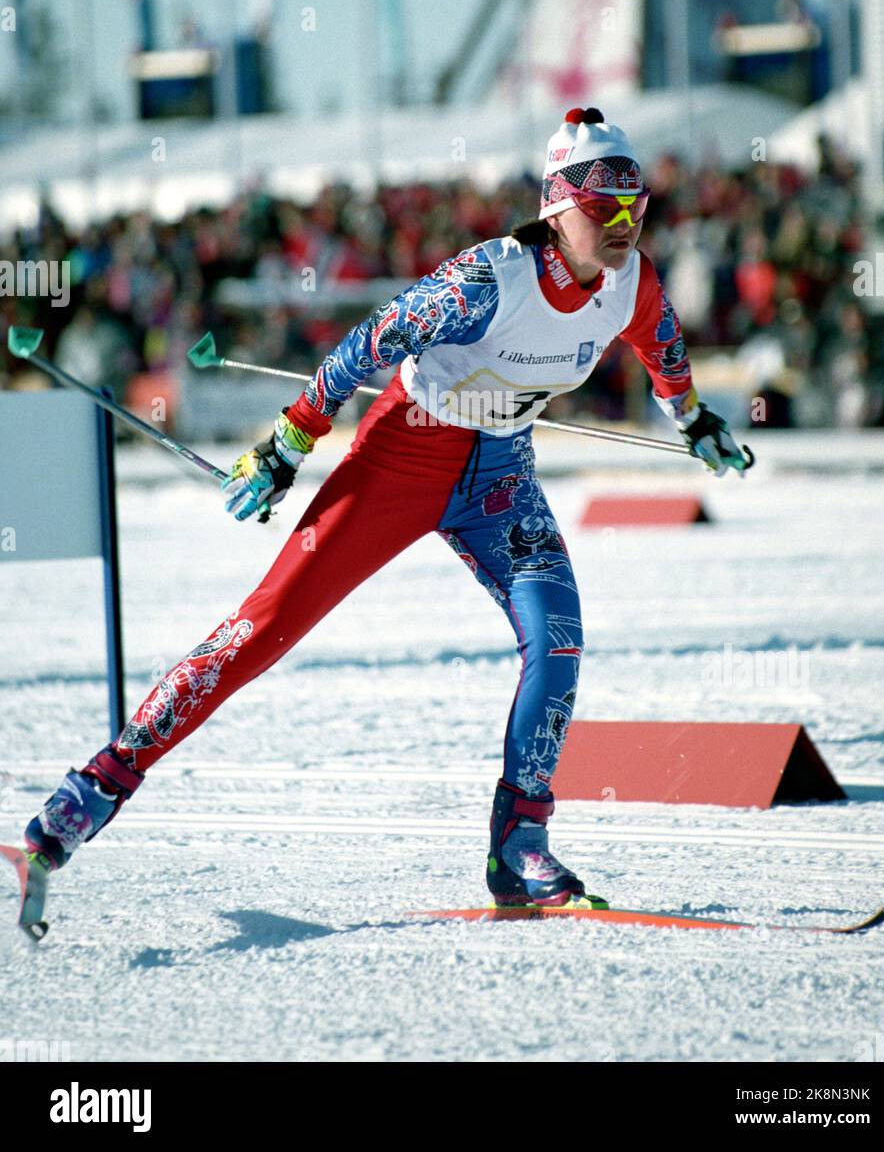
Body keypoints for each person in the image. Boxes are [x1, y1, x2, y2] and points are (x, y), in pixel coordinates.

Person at [17, 109, 749, 921]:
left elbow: (665, 351)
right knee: (265, 627)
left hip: (501, 477)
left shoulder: (633, 283)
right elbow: (365, 345)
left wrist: (695, 423)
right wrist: (286, 445)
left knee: (559, 637)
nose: (622, 222)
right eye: (601, 206)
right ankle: (89, 793)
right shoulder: (488, 279)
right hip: (403, 457)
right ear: (555, 206)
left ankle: (520, 845)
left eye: (635, 205)